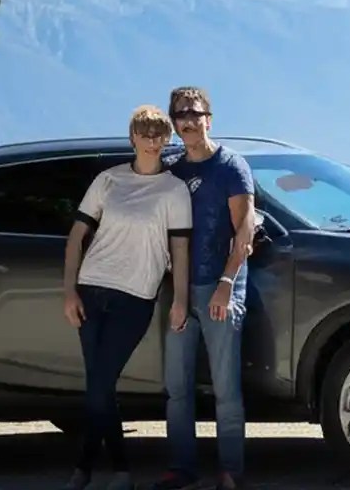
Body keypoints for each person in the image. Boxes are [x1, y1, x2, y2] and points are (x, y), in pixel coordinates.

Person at [60, 105, 193, 490]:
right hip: (91, 288)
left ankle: (86, 469)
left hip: (135, 297)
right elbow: (76, 238)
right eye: (144, 134)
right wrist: (69, 291)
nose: (152, 142)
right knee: (99, 385)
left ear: (167, 140)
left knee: (100, 384)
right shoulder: (109, 180)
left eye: (158, 135)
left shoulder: (174, 190)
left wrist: (181, 299)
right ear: (132, 137)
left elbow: (179, 250)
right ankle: (116, 472)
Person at [150, 86, 255, 490]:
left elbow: (244, 230)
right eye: (180, 115)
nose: (188, 121)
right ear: (174, 124)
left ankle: (231, 470)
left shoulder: (231, 166)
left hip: (219, 287)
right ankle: (182, 468)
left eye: (194, 113)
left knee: (226, 388)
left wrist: (226, 286)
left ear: (209, 118)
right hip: (181, 291)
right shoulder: (173, 170)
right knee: (177, 388)